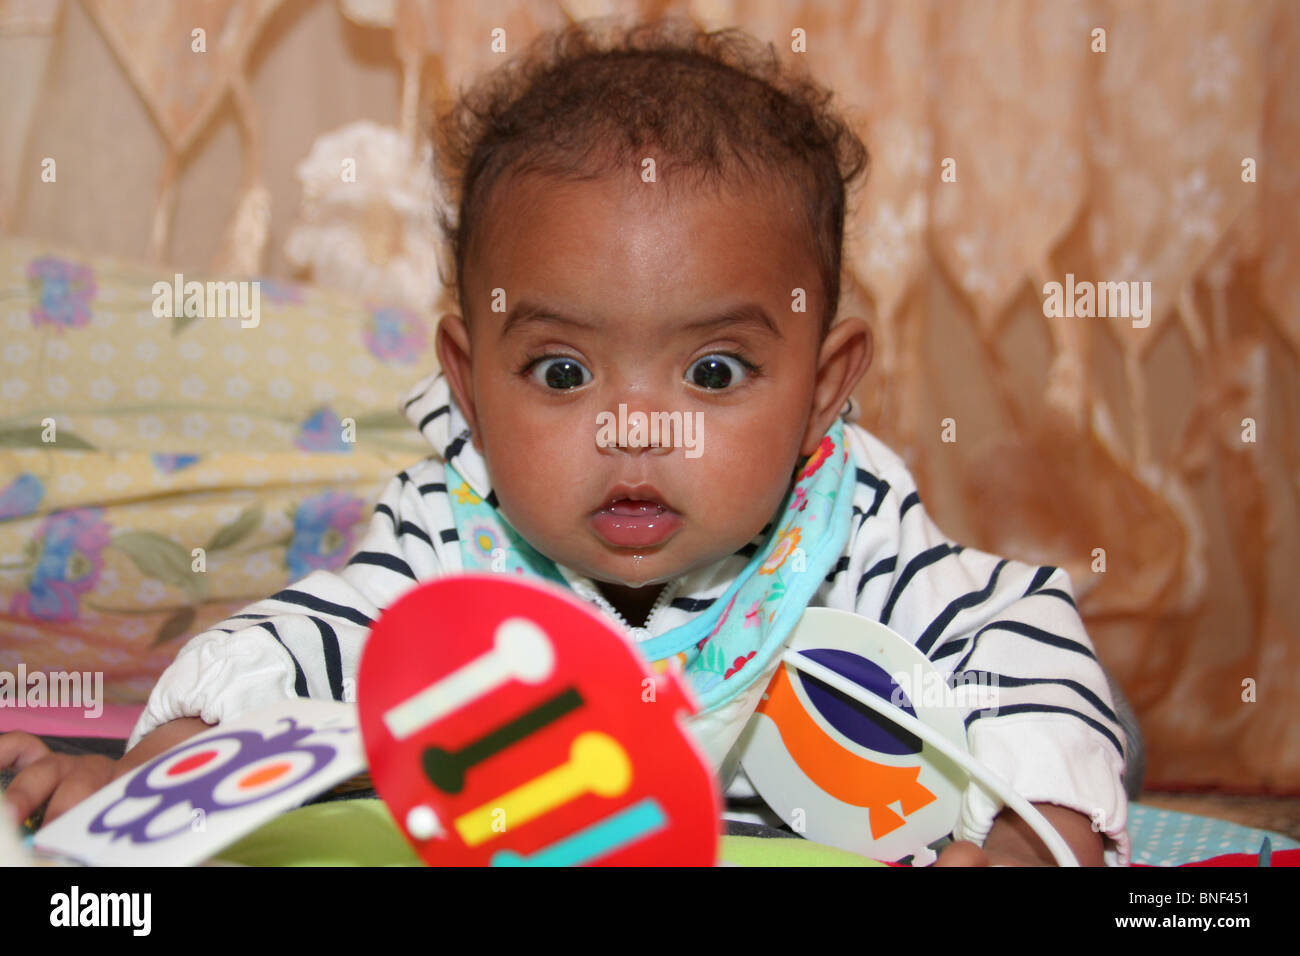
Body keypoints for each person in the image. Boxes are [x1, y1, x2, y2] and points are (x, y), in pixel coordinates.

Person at [0, 17, 1133, 866]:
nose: (632, 429)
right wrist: (170, 769)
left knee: (1088, 718)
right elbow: (308, 640)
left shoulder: (850, 530)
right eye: (560, 371)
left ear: (823, 384)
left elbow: (1015, 630)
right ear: (470, 381)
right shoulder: (456, 526)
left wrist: (1044, 829)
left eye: (714, 371)